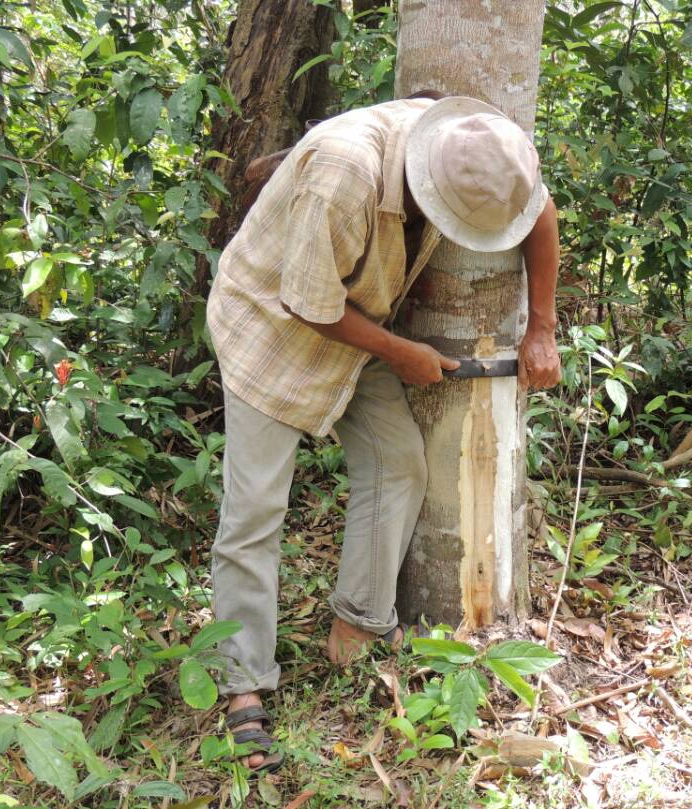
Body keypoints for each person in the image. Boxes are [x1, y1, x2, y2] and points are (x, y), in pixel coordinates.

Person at [205, 95, 562, 771]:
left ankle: (361, 619)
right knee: (255, 511)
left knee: (398, 462)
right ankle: (241, 681)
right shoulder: (344, 175)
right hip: (273, 329)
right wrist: (401, 353)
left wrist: (541, 326)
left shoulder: (477, 146)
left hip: (355, 322)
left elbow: (538, 212)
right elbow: (307, 303)